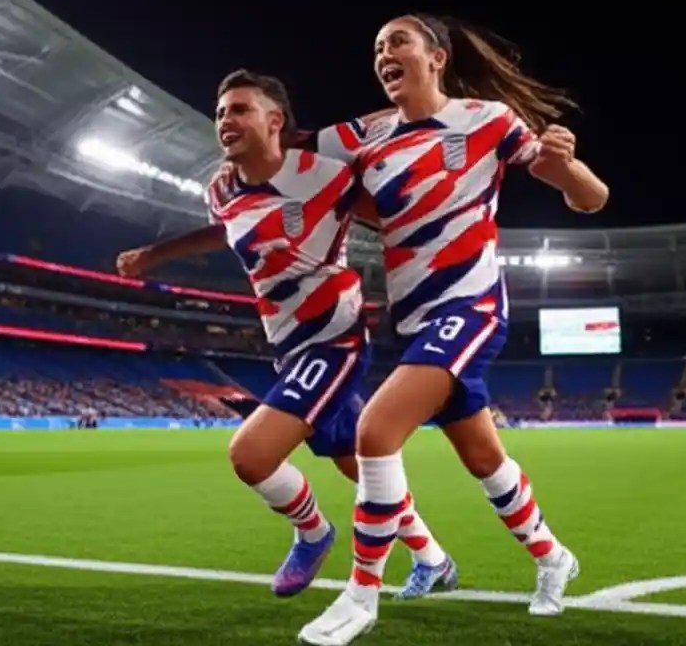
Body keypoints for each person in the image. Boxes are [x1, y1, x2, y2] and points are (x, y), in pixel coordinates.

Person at [296, 14, 609, 646]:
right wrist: (250, 139)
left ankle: (361, 596)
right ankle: (553, 559)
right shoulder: (367, 134)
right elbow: (295, 153)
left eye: (398, 42)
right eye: (377, 46)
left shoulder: (486, 119)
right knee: (485, 459)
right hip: (411, 323)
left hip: (470, 309)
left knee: (375, 433)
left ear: (435, 56)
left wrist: (567, 166)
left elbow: (589, 197)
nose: (384, 53)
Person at [116, 69, 455, 599]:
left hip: (335, 336)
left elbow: (395, 219)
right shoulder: (221, 189)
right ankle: (433, 559)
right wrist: (155, 255)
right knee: (360, 465)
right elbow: (224, 229)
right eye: (222, 111)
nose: (226, 119)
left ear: (275, 121)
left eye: (241, 109)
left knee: (250, 456)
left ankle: (312, 532)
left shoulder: (323, 174)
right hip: (288, 345)